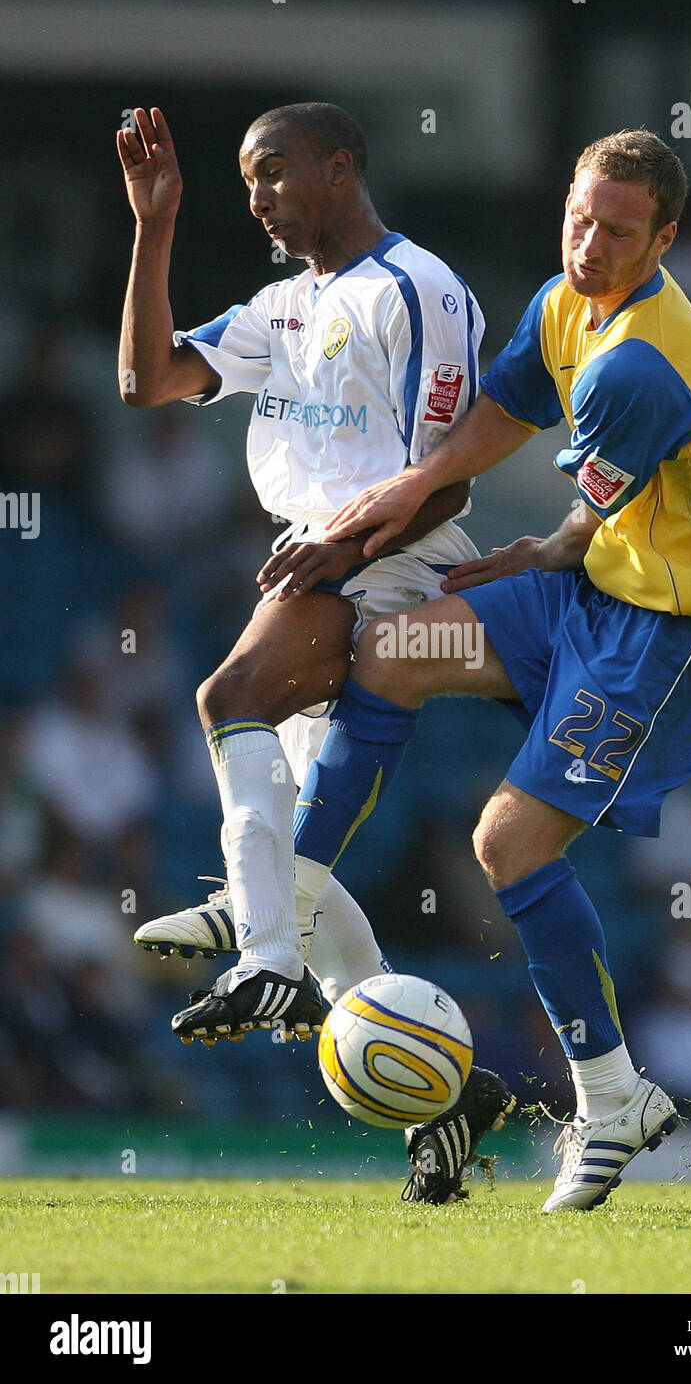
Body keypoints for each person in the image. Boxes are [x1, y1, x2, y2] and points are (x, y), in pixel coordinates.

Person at [283, 129, 691, 1210]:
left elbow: (571, 526)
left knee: (505, 842)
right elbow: (506, 405)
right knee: (394, 650)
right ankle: (292, 897)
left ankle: (610, 1099)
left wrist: (532, 550)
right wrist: (415, 487)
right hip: (599, 587)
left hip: (671, 633)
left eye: (620, 231)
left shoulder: (646, 361)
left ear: (666, 241)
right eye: (580, 217)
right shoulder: (565, 301)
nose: (591, 243)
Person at [116, 103, 515, 1180]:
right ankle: (451, 1097)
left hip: (387, 564)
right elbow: (147, 380)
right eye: (246, 180)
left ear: (341, 170)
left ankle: (262, 956)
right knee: (292, 857)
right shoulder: (281, 307)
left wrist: (342, 551)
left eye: (277, 173)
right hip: (320, 557)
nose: (258, 196)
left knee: (225, 694)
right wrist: (154, 226)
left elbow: (449, 477)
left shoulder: (417, 289)